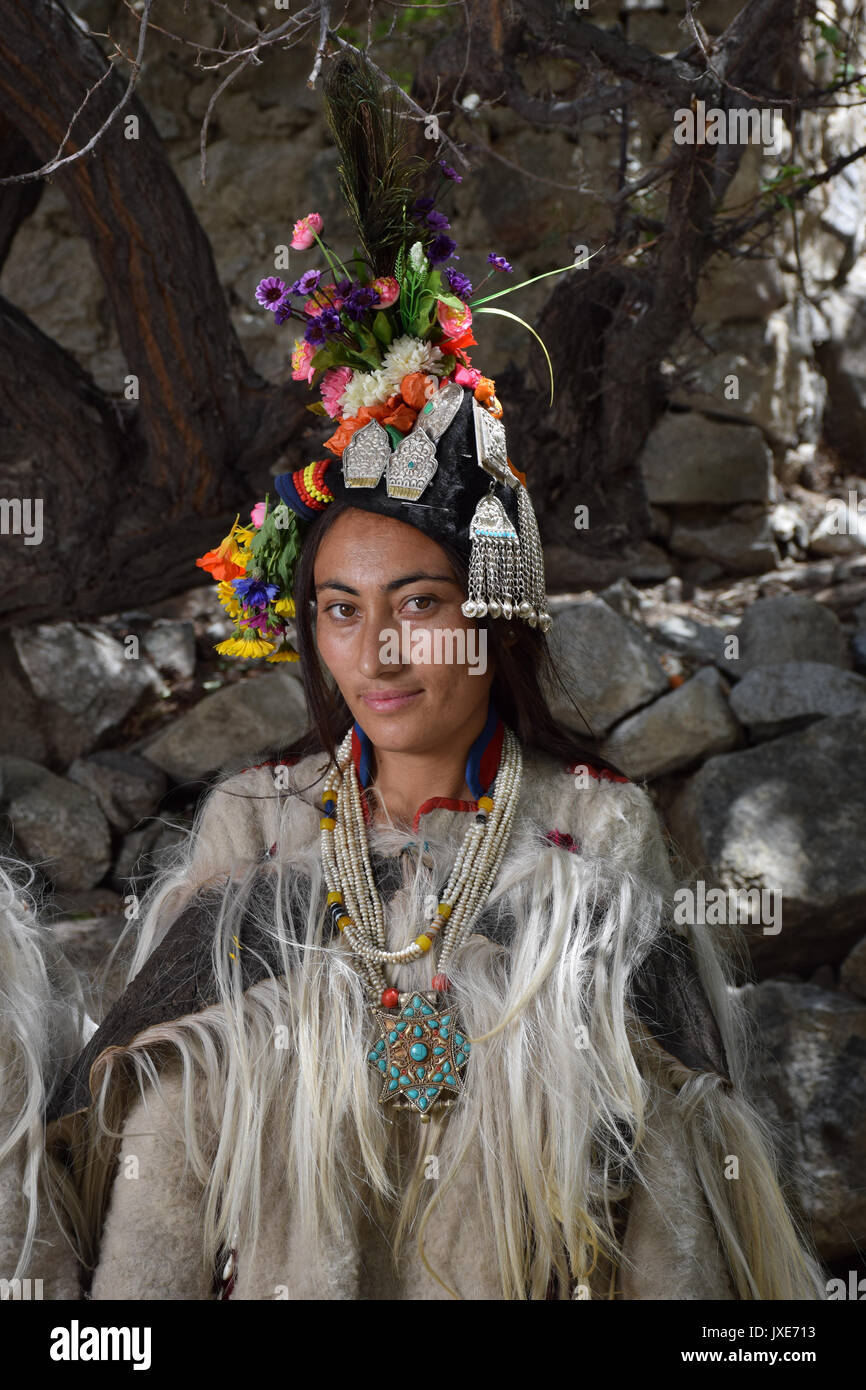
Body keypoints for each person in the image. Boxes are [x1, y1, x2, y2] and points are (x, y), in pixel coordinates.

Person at [0, 51, 824, 1302]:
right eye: (340, 611)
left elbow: (662, 1128)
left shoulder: (590, 820)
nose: (376, 653)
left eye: (420, 606)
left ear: (491, 617)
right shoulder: (257, 819)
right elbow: (156, 1128)